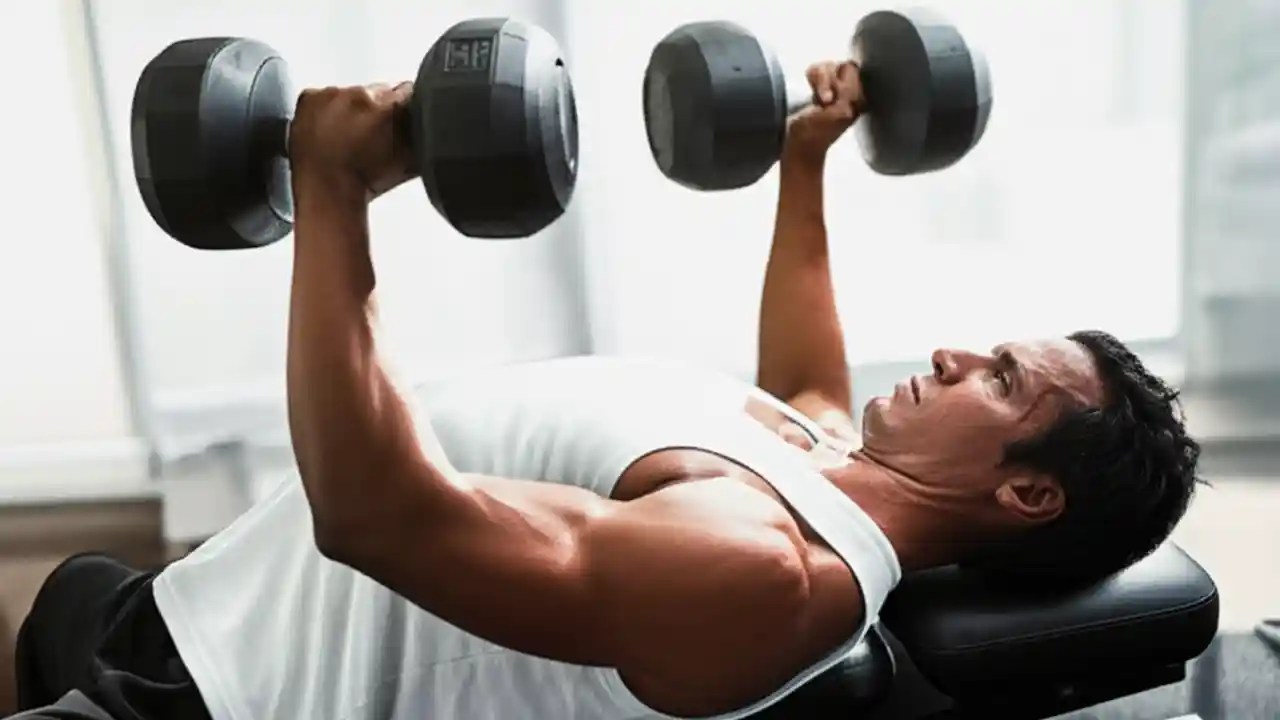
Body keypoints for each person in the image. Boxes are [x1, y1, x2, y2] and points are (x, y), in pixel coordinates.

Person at [11, 62, 1200, 720]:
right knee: (58, 602)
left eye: (998, 379)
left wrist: (332, 197)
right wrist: (803, 158)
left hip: (214, 697)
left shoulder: (770, 571)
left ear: (1027, 495)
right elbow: (800, 369)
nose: (948, 354)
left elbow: (374, 517)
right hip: (212, 603)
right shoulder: (820, 458)